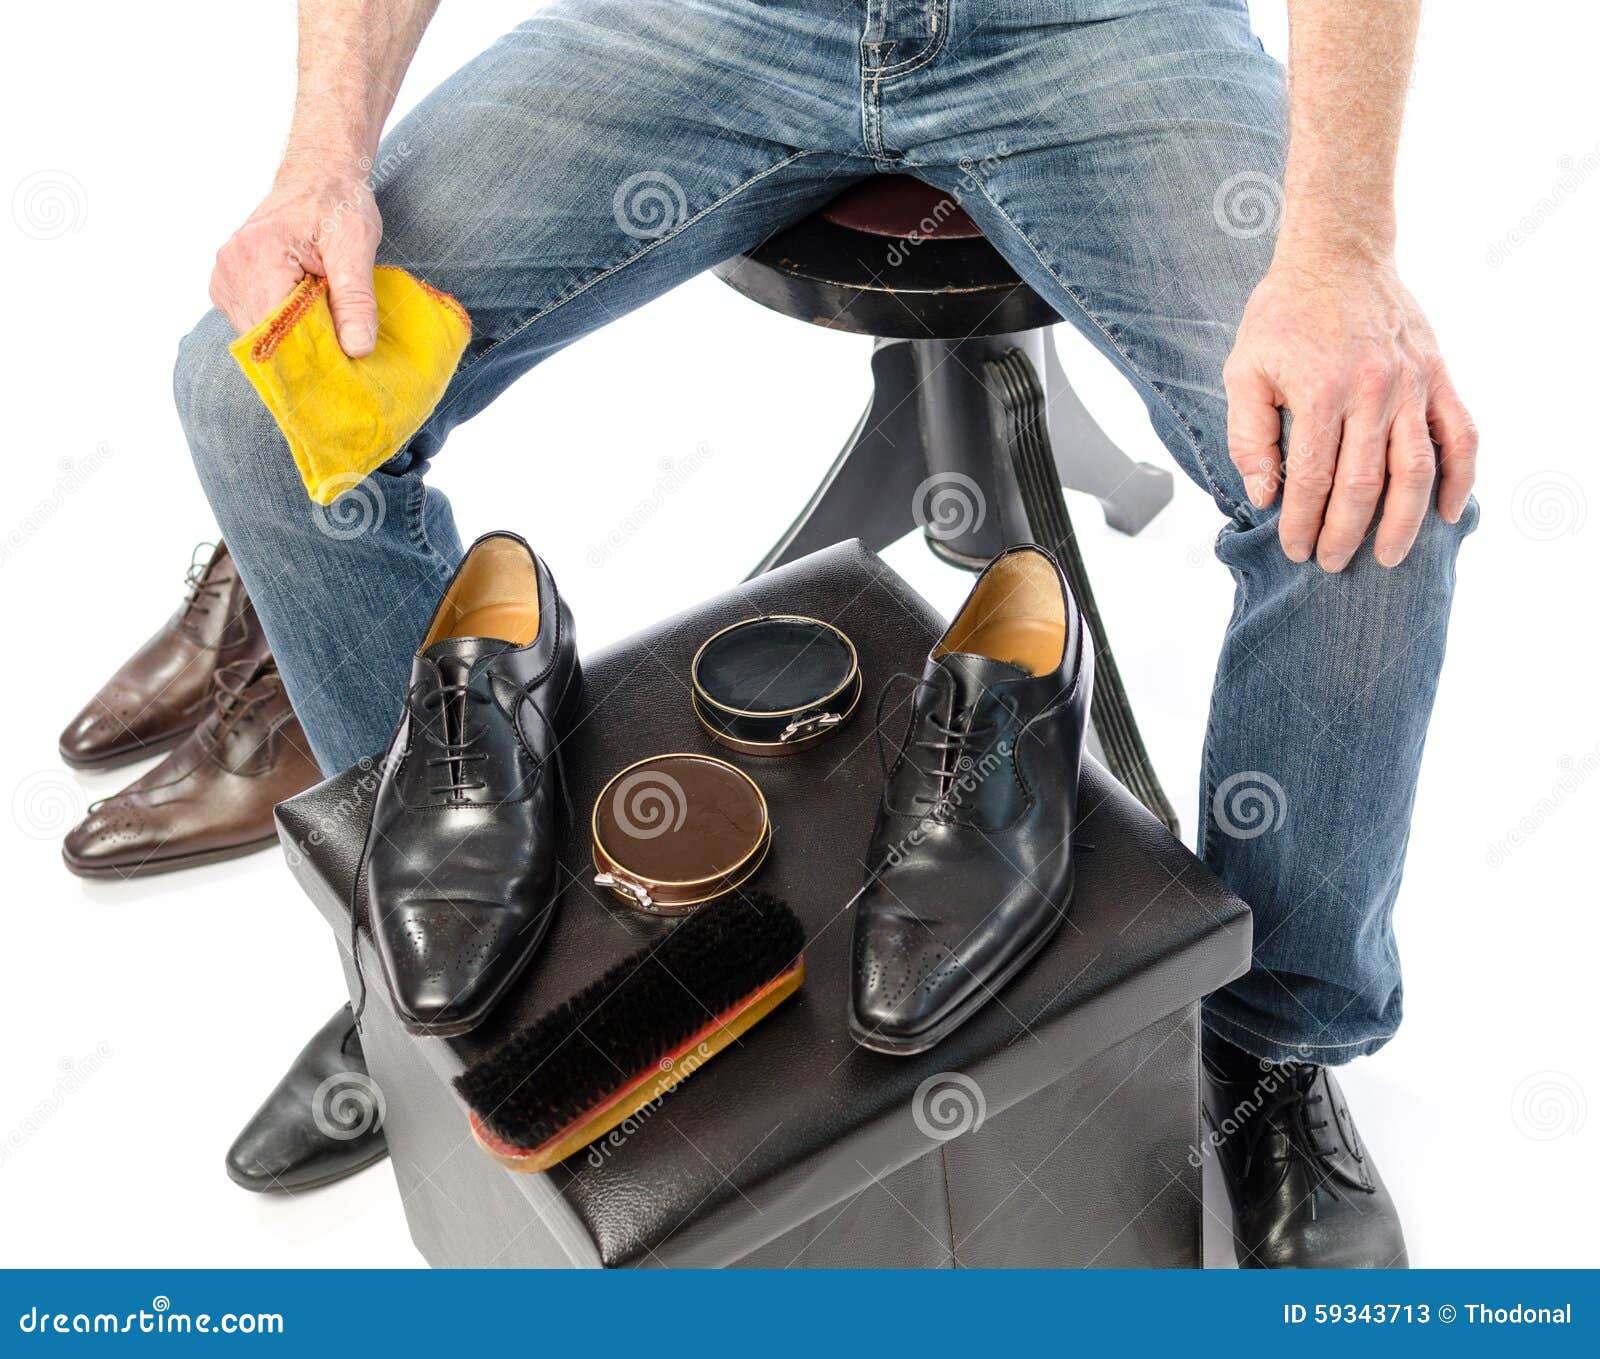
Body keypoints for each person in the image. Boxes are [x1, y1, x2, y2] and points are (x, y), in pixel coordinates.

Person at [176, 0, 1476, 1267]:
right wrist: (321, 161)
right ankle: (422, 943)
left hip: (1100, 29)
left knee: (1378, 490)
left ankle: (1276, 1045)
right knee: (254, 398)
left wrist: (1338, 252)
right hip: (728, 22)